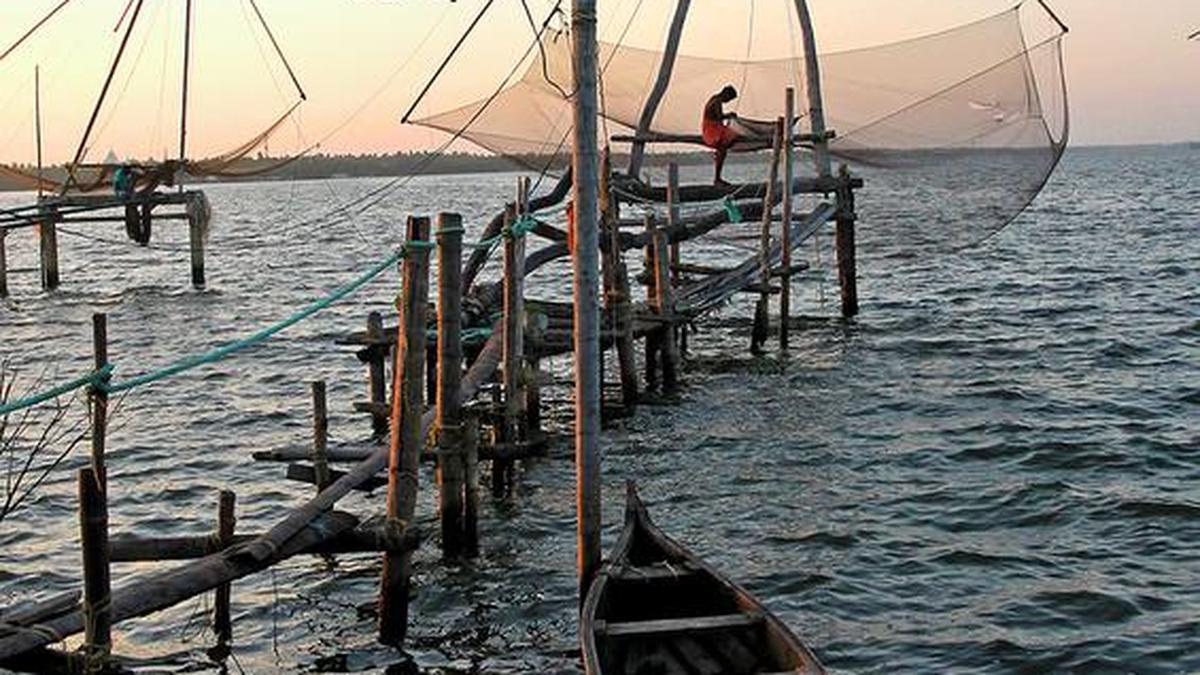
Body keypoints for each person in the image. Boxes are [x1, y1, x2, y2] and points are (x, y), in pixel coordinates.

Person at [701, 85, 783, 186]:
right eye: (729, 99)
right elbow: (718, 117)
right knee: (735, 137)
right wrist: (729, 115)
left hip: (713, 127)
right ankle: (717, 178)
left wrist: (728, 116)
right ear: (726, 94)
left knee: (723, 149)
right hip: (712, 129)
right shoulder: (716, 101)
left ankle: (717, 177)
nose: (728, 101)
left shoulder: (714, 98)